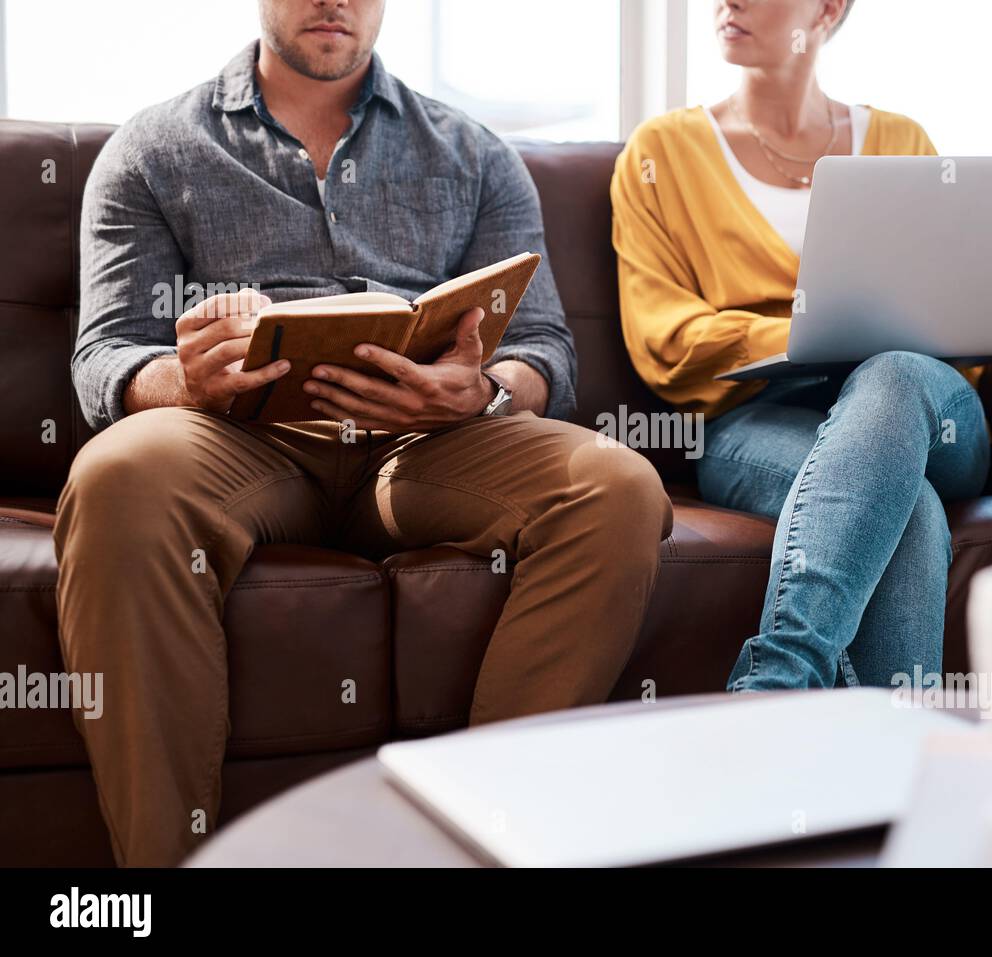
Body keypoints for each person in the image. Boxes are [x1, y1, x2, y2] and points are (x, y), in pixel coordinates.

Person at [58, 0, 672, 867]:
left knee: (616, 485)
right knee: (117, 474)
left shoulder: (475, 153)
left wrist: (480, 389)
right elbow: (105, 358)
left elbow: (546, 353)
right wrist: (182, 379)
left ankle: (489, 845)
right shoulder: (156, 148)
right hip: (242, 441)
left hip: (430, 445)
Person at [611, 0, 989, 695]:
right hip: (757, 417)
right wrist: (806, 339)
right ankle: (891, 771)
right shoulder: (660, 154)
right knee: (909, 511)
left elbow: (952, 328)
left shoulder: (903, 143)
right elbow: (663, 339)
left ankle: (774, 686)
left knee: (893, 372)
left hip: (926, 409)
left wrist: (870, 346)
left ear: (829, 8)